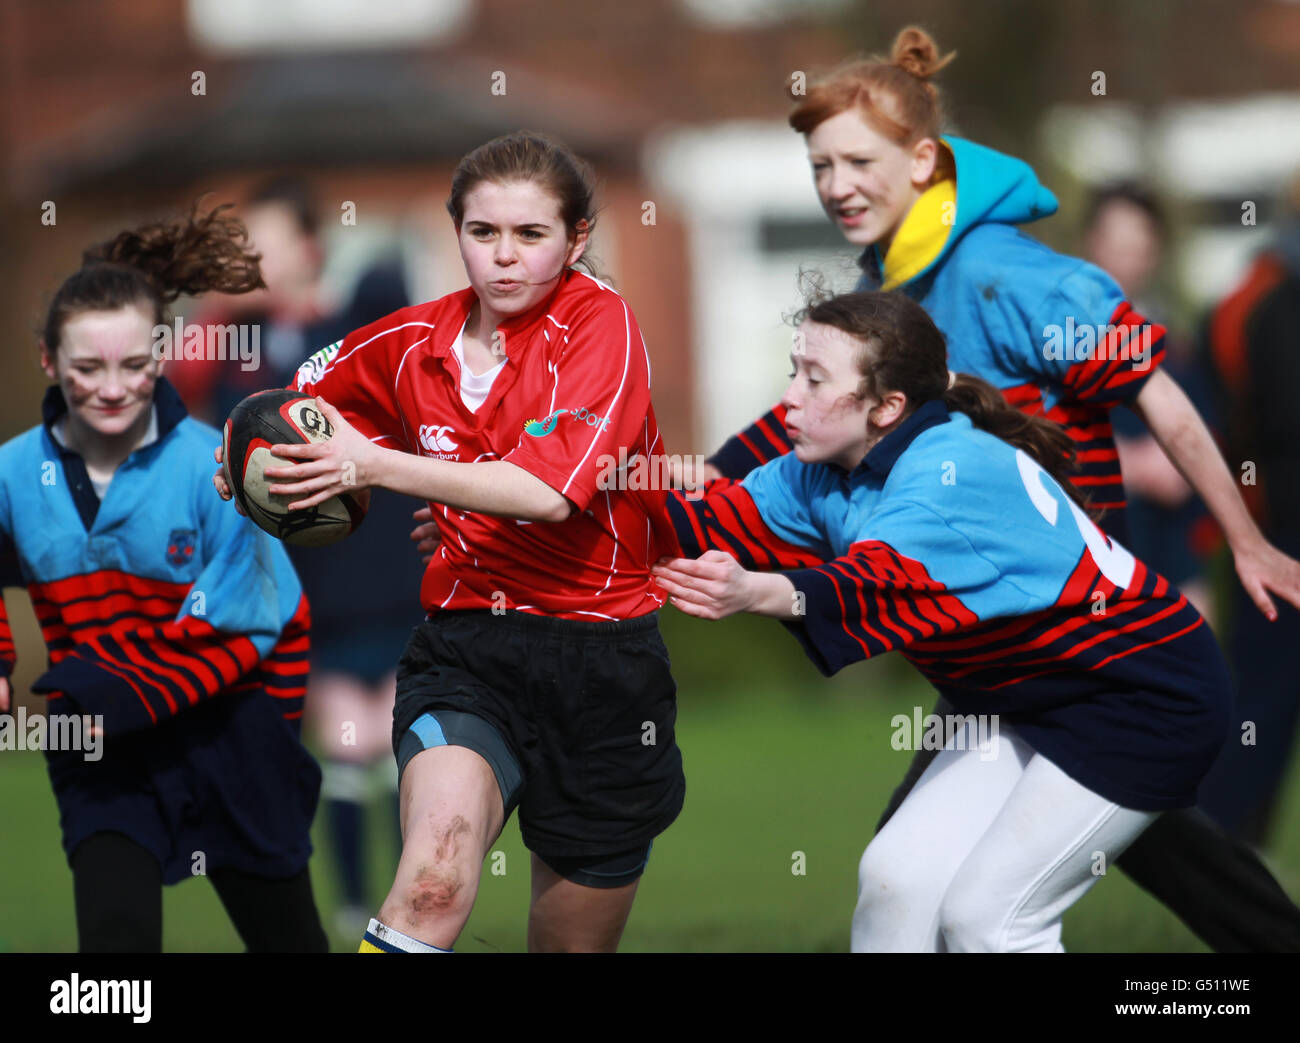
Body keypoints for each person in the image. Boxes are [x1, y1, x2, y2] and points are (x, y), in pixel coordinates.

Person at [694, 26, 1300, 951]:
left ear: (924, 159)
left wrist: (1245, 538)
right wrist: (647, 491)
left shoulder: (1003, 274)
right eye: (819, 165)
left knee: (979, 882)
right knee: (929, 874)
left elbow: (1162, 397)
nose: (835, 184)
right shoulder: (887, 287)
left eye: (857, 160)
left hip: (1077, 625)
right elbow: (787, 439)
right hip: (996, 633)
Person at [214, 132, 686, 954]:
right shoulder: (407, 342)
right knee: (432, 878)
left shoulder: (600, 328)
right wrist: (247, 462)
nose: (504, 258)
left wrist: (376, 462)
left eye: (531, 236)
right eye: (483, 232)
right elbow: (285, 405)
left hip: (604, 663)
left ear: (576, 241)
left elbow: (546, 492)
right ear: (455, 230)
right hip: (469, 651)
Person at [654, 289, 1231, 951]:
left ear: (888, 406)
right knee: (897, 879)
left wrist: (756, 590)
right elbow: (691, 523)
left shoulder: (947, 477)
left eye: (815, 379)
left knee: (991, 919)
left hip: (1143, 698)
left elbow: (874, 581)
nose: (790, 395)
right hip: (1022, 698)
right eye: (794, 369)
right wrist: (566, 489)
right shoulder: (819, 471)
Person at [0, 205, 328, 952]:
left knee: (292, 944)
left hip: (231, 740)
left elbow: (261, 618)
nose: (112, 388)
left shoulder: (221, 466)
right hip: (103, 748)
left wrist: (124, 684)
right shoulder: (15, 473)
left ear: (163, 355)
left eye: (133, 365)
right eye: (87, 368)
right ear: (49, 362)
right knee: (114, 954)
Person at [171, 175, 420, 935]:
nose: (243, 261)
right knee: (348, 749)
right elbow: (178, 383)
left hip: (393, 574)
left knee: (408, 755)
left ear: (308, 249)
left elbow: (398, 288)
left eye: (260, 245)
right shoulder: (229, 352)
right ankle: (351, 905)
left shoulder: (355, 328)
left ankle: (412, 908)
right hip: (312, 588)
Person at [1197, 172, 1300, 846]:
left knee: (1259, 699)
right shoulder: (1260, 303)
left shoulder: (1248, 299)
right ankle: (1223, 851)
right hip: (1276, 531)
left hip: (1267, 527)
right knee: (1260, 702)